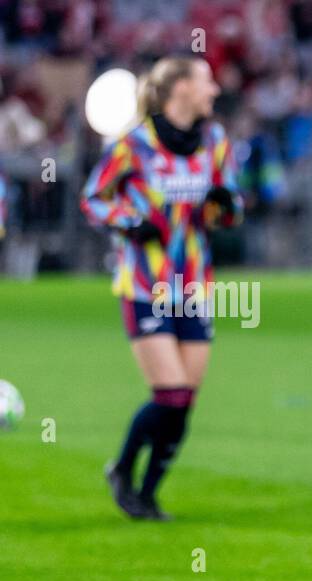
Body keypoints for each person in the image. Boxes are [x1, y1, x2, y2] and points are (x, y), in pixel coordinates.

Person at [82, 56, 241, 519]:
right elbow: (93, 199)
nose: (213, 90)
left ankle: (146, 493)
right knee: (169, 393)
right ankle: (123, 469)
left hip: (194, 286)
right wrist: (130, 223)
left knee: (184, 402)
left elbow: (231, 208)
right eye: (206, 82)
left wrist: (224, 206)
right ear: (181, 90)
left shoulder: (214, 142)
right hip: (144, 285)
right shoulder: (135, 145)